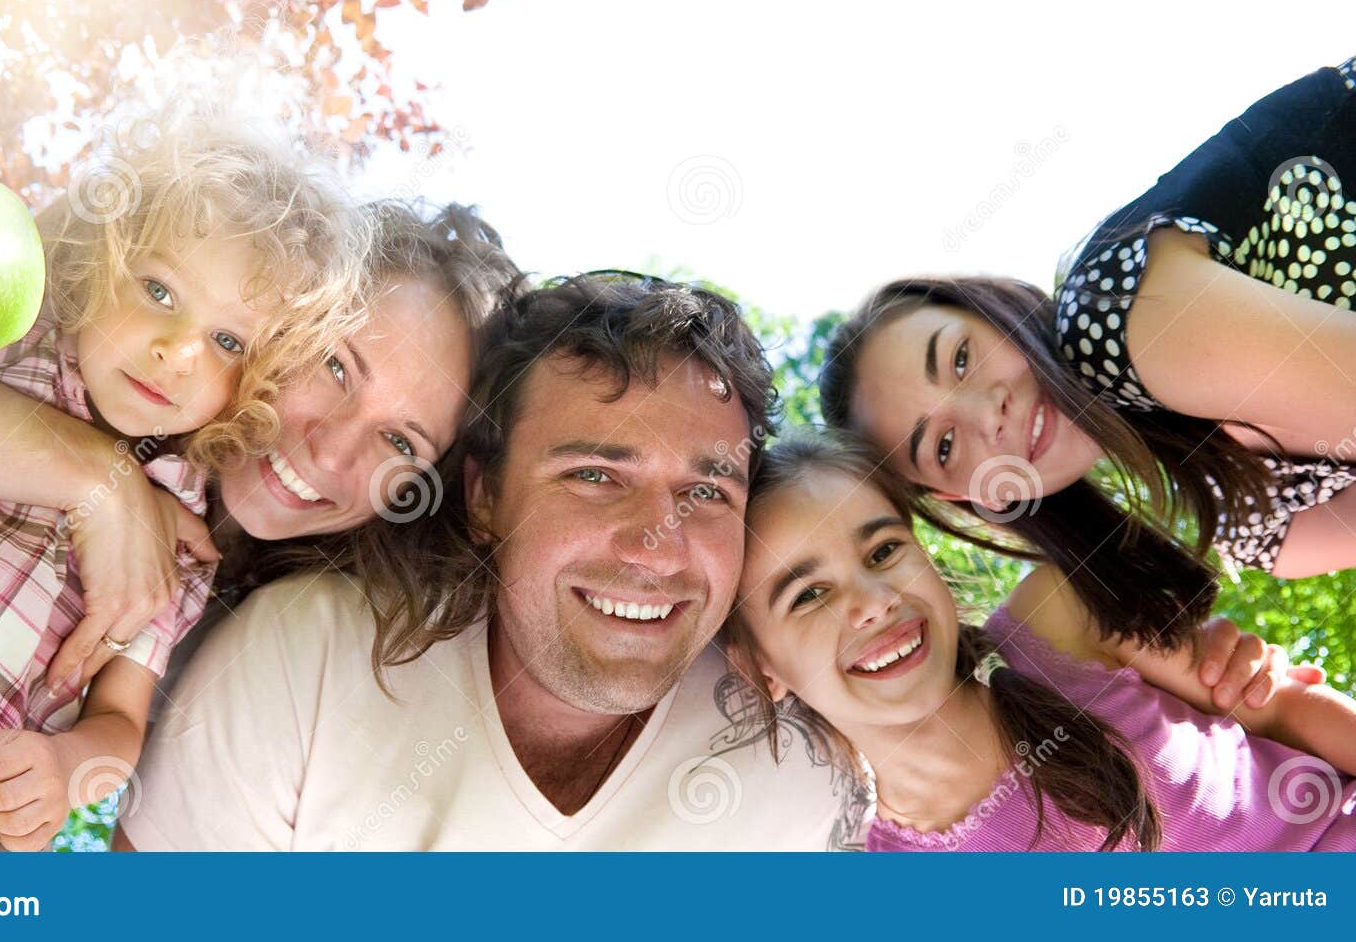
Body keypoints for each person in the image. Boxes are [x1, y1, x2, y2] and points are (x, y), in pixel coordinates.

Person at [111, 273, 1293, 851]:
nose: (657, 542)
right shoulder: (310, 669)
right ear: (480, 494)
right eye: (594, 472)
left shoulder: (789, 783)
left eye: (708, 490)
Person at [0, 189, 520, 849]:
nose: (330, 448)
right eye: (335, 366)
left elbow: (109, 745)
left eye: (399, 440)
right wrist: (105, 479)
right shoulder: (114, 345)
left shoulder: (279, 621)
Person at [819, 54, 1356, 647]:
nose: (986, 414)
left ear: (997, 310)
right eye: (944, 445)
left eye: (961, 359)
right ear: (963, 496)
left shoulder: (1107, 313)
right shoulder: (1245, 516)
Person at [726, 430, 1356, 851]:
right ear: (765, 669)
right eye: (807, 594)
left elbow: (1280, 708)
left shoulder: (1053, 615)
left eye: (885, 549)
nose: (873, 603)